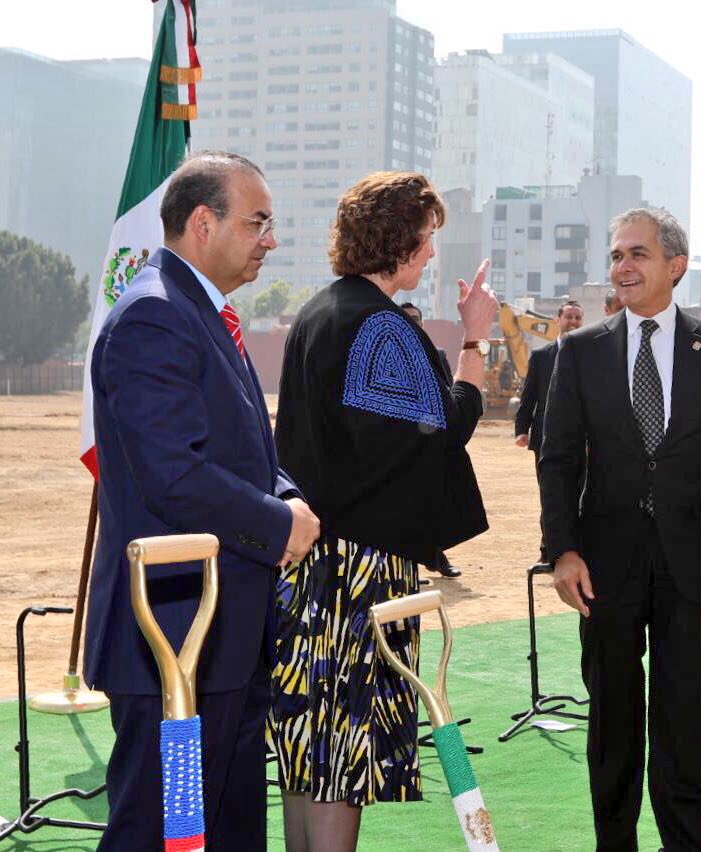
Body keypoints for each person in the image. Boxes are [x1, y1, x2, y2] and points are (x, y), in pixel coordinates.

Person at [86, 150, 320, 851]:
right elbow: (174, 474)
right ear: (201, 221)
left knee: (226, 826)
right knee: (161, 832)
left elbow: (245, 450)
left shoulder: (203, 314)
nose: (270, 241)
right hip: (175, 637)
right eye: (258, 223)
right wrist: (279, 523)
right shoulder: (155, 316)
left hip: (222, 633)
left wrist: (288, 497)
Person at [269, 171, 497, 852]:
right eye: (426, 239)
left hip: (310, 568)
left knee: (307, 748)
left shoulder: (320, 311)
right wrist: (475, 342)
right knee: (342, 753)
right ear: (399, 239)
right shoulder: (379, 328)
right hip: (358, 574)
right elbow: (443, 426)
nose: (430, 255)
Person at [540, 207, 701, 850]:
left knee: (683, 718)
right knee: (611, 720)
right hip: (603, 570)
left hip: (691, 569)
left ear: (676, 265)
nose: (622, 266)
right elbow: (556, 460)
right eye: (616, 255)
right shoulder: (579, 352)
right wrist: (562, 550)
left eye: (637, 253)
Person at [400, 300, 462, 579]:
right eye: (406, 318)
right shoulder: (385, 355)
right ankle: (407, 565)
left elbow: (449, 395)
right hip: (396, 447)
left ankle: (436, 557)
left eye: (416, 318)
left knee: (430, 505)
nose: (412, 322)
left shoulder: (437, 354)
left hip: (429, 444)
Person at [514, 300, 584, 455]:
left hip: (579, 438)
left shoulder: (590, 356)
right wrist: (522, 430)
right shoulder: (540, 356)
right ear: (557, 320)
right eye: (569, 316)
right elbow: (529, 395)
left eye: (578, 318)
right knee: (546, 479)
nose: (573, 321)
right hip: (545, 436)